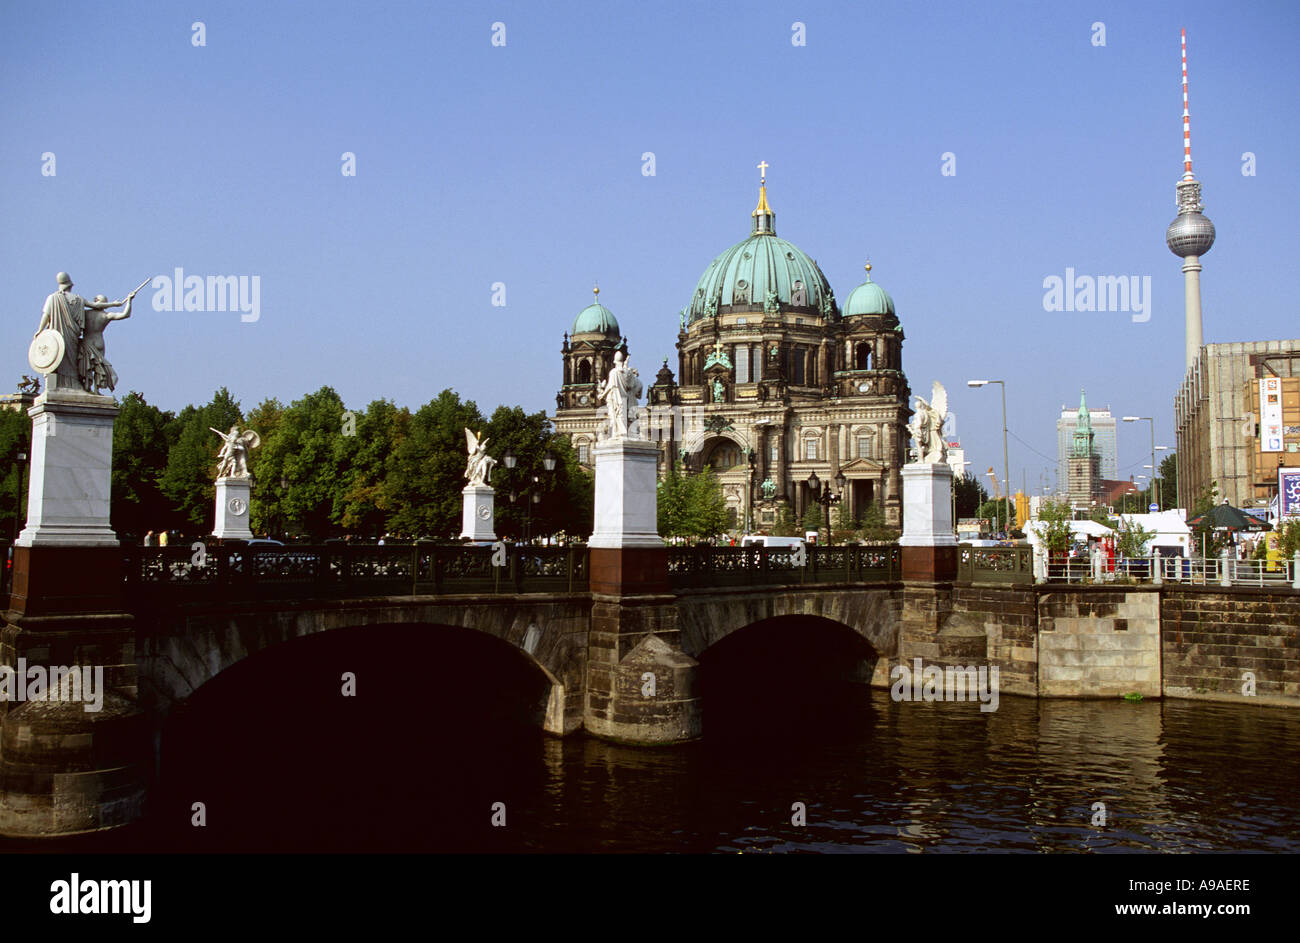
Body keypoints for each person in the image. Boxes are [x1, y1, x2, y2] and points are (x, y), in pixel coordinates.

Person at [79, 290, 138, 393]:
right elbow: (126, 314)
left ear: (95, 301)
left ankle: (87, 388)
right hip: (99, 342)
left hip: (87, 341)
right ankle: (97, 391)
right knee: (99, 367)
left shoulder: (85, 313)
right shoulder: (106, 315)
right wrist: (129, 300)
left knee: (87, 366)